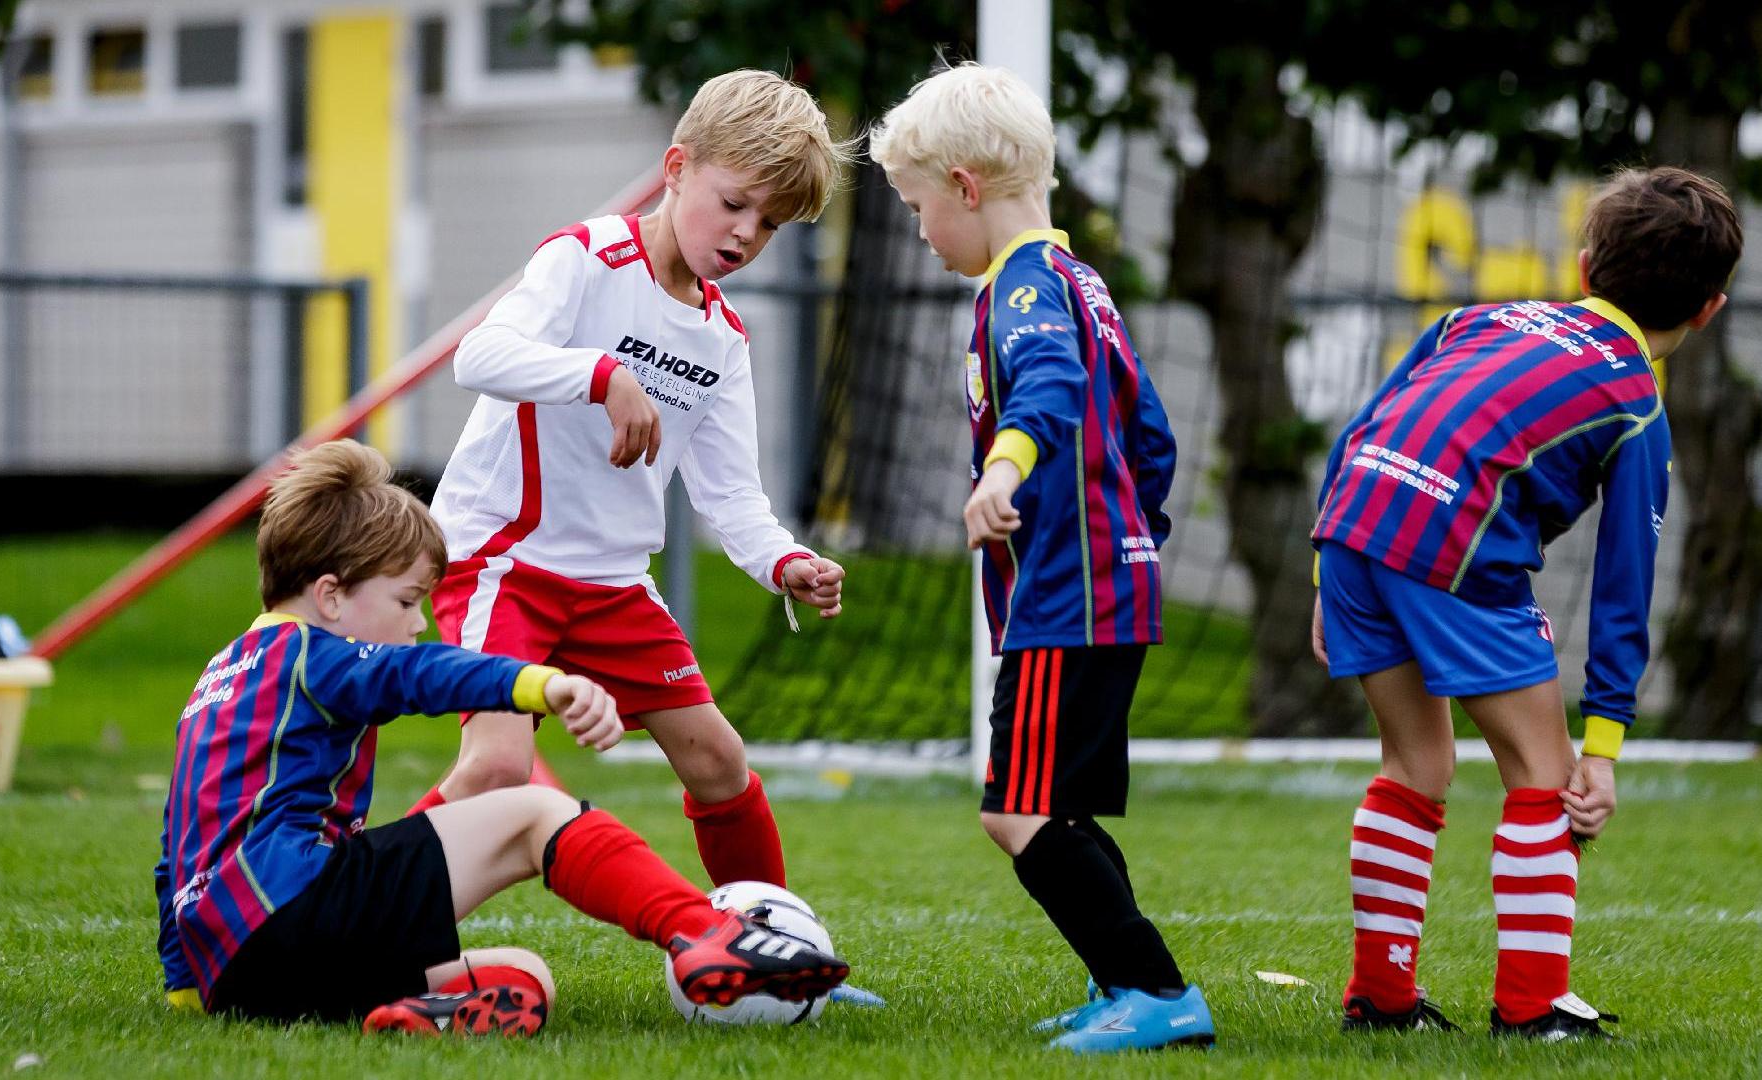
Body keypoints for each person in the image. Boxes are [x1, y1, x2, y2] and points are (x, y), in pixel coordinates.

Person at [154, 440, 848, 1036]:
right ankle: (705, 931)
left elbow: (175, 850)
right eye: (406, 601)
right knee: (536, 813)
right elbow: (414, 674)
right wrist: (540, 685)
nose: (417, 622)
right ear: (331, 595)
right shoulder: (311, 655)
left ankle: (408, 1017)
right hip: (294, 909)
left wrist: (186, 985)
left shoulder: (220, 675)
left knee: (522, 974)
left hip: (237, 969)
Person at [1310, 167, 1742, 1039]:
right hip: (1452, 553)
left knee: (1416, 765)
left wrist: (1327, 573)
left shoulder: (1478, 320)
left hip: (1357, 524)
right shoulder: (1636, 406)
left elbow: (1363, 430)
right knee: (1547, 780)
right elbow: (1624, 587)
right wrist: (1603, 749)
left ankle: (1382, 1003)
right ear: (1709, 310)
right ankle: (1533, 1008)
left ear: (1584, 267)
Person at [406, 70, 852, 893]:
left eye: (771, 223)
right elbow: (479, 356)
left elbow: (732, 496)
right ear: (677, 167)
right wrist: (602, 375)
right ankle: (348, 912)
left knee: (719, 760)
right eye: (735, 203)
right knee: (499, 766)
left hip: (611, 585)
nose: (746, 233)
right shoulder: (585, 257)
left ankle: (770, 940)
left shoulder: (723, 338)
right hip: (505, 564)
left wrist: (784, 561)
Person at [871, 64, 1213, 1054]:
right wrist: (1132, 533)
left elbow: (1050, 384)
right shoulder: (1083, 284)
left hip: (1068, 595)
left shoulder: (1021, 287)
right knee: (1058, 806)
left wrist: (1004, 472)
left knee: (1015, 812)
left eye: (919, 209)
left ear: (965, 186)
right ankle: (1120, 987)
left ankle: (1157, 994)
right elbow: (1152, 438)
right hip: (1113, 584)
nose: (922, 232)